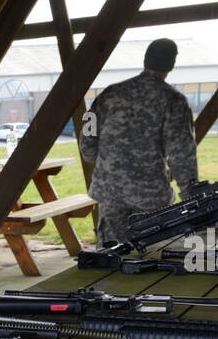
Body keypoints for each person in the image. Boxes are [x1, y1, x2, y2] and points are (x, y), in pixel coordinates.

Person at [78, 38, 198, 246]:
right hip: (151, 196)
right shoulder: (174, 100)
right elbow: (182, 153)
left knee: (110, 257)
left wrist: (95, 158)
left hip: (110, 192)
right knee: (150, 258)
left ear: (145, 60)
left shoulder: (109, 93)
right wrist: (191, 195)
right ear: (171, 64)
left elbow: (88, 131)